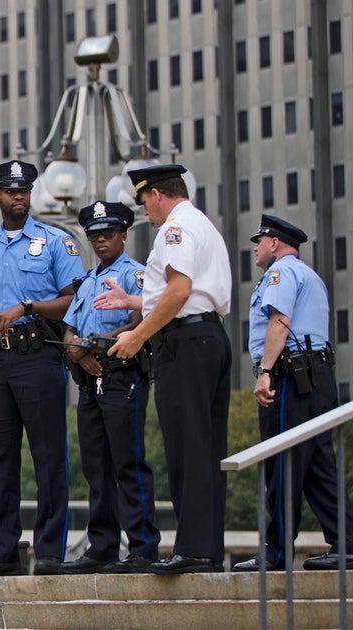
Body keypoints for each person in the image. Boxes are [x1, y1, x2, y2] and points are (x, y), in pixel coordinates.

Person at [97, 163, 232, 574]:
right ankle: (205, 548)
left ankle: (192, 549)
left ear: (156, 194)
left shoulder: (175, 228)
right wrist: (133, 302)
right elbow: (183, 294)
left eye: (143, 203)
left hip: (184, 344)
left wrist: (137, 336)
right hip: (206, 337)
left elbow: (179, 291)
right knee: (206, 450)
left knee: (187, 448)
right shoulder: (200, 224)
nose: (145, 212)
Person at [0, 161, 80, 578]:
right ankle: (2, 551)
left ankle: (49, 552)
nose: (19, 197)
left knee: (48, 457)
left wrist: (28, 307)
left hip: (38, 357)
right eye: (11, 191)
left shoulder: (54, 242)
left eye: (24, 190)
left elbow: (72, 300)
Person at [232, 215, 353, 572]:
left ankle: (277, 550)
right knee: (317, 467)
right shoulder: (309, 274)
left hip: (290, 378)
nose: (255, 247)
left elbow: (279, 321)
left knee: (282, 461)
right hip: (316, 378)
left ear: (274, 242)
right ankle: (347, 543)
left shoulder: (281, 273)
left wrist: (266, 372)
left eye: (260, 240)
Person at [58, 201, 160, 575]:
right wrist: (77, 349)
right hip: (88, 380)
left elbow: (141, 321)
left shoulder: (135, 275)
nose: (101, 240)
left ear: (123, 235)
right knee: (96, 468)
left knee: (128, 464)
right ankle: (102, 547)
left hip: (121, 376)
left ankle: (143, 547)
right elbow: (69, 329)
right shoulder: (86, 282)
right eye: (94, 235)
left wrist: (98, 342)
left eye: (108, 233)